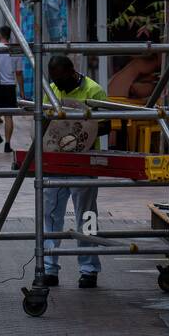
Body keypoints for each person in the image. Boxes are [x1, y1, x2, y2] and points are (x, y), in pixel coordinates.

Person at [43, 54, 107, 289]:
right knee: (50, 216)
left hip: (84, 162)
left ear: (72, 72)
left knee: (87, 217)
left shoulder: (94, 90)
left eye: (61, 81)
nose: (58, 86)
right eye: (55, 82)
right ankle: (49, 268)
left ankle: (89, 269)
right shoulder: (50, 90)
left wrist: (78, 131)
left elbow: (106, 124)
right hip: (57, 162)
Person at [0, 26, 24, 154]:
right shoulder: (15, 50)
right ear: (9, 36)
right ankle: (8, 144)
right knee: (9, 116)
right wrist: (22, 92)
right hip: (10, 86)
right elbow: (19, 73)